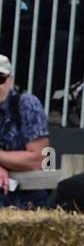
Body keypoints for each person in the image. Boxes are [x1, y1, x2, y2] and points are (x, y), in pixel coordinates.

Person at [0, 55, 51, 209]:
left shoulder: (26, 104)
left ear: (11, 80)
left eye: (0, 79)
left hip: (27, 199)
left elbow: (39, 159)